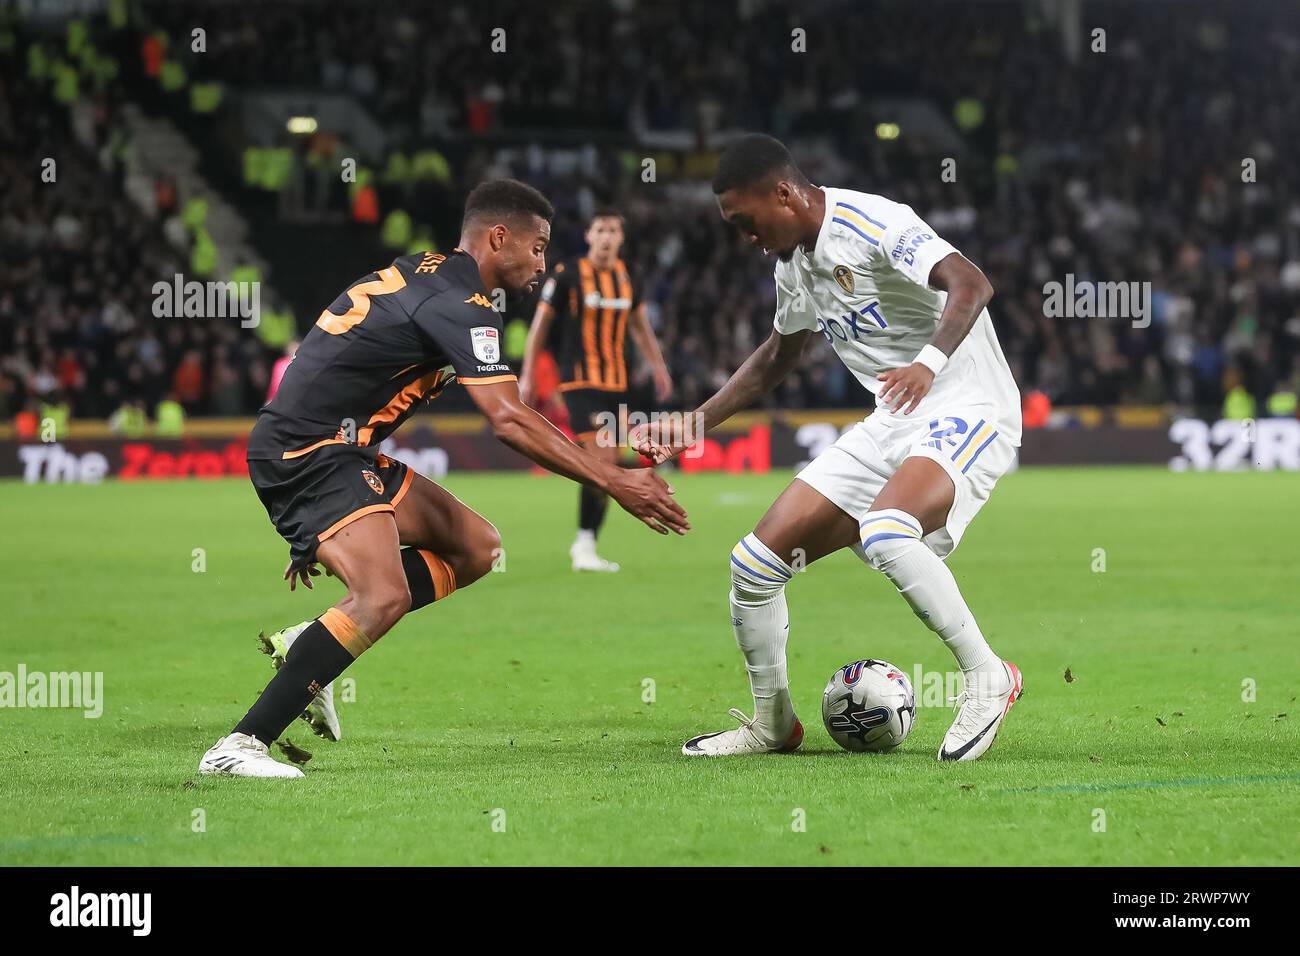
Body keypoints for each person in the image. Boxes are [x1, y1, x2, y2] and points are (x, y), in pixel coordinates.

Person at [199, 180, 688, 778]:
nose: (542, 262)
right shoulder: (459, 302)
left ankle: (315, 641)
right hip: (309, 453)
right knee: (384, 597)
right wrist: (617, 482)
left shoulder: (428, 274)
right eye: (536, 247)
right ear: (498, 237)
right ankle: (239, 746)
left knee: (477, 547)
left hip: (339, 452)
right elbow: (509, 421)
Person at [634, 135, 1022, 762]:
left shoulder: (874, 222)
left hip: (968, 405)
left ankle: (987, 677)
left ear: (783, 193)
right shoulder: (793, 264)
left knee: (888, 532)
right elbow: (776, 360)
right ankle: (773, 725)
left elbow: (970, 284)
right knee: (753, 569)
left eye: (746, 221)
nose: (746, 237)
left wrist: (926, 363)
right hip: (893, 419)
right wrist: (695, 424)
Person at [519, 209, 672, 572]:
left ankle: (587, 544)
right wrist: (528, 373)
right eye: (600, 229)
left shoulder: (628, 277)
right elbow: (541, 325)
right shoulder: (568, 274)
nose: (606, 236)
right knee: (603, 462)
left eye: (613, 230)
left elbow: (639, 326)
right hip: (579, 382)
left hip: (616, 384)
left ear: (621, 238)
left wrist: (659, 366)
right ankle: (584, 546)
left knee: (610, 463)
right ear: (588, 236)